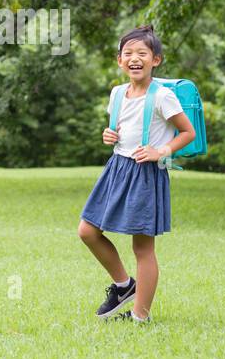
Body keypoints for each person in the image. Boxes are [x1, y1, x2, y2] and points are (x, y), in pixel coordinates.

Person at [78, 24, 195, 324]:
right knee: (88, 231)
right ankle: (123, 286)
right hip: (117, 168)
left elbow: (187, 132)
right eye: (127, 53)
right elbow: (122, 128)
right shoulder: (117, 93)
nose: (134, 58)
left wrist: (162, 151)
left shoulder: (162, 96)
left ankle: (140, 315)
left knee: (142, 247)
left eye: (142, 53)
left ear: (155, 59)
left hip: (145, 173)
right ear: (119, 60)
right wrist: (110, 134)